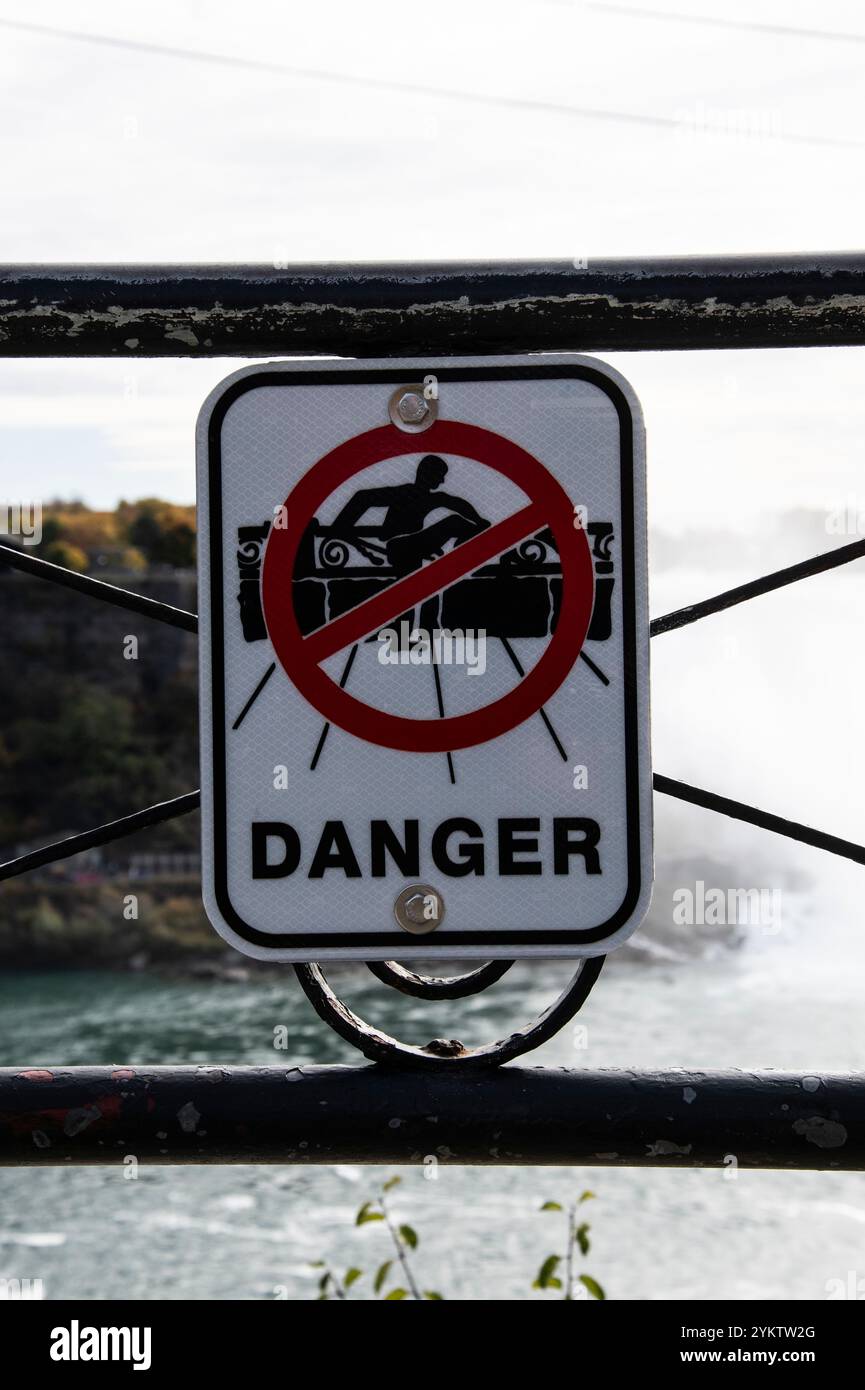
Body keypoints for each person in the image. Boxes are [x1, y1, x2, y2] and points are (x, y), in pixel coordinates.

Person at [330, 455, 489, 574]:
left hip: (412, 547)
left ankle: (460, 558)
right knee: (455, 523)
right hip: (401, 547)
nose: (442, 481)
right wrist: (340, 526)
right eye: (440, 475)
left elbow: (458, 503)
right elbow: (362, 497)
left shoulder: (431, 498)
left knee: (411, 599)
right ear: (428, 474)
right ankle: (459, 559)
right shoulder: (405, 493)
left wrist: (479, 521)